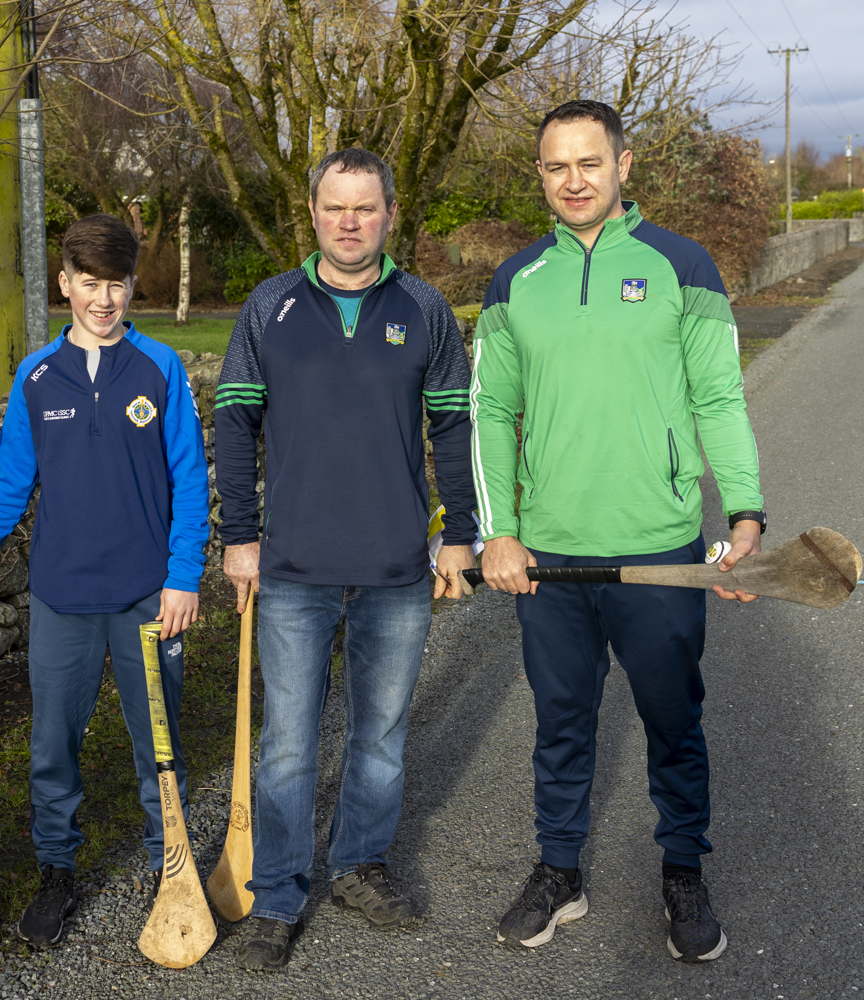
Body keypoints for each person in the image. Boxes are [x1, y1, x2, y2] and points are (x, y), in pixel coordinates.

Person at [471, 100, 764, 964]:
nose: (573, 180)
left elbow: (719, 397)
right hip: (550, 555)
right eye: (556, 166)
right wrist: (500, 532)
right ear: (540, 175)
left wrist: (744, 512)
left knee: (673, 717)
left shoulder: (684, 265)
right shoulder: (515, 281)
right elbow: (492, 412)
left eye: (589, 162)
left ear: (624, 165)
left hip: (659, 546)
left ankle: (682, 871)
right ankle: (560, 871)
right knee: (561, 720)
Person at [215, 147, 478, 971]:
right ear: (314, 212)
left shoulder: (426, 310)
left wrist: (461, 531)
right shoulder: (270, 308)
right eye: (336, 207)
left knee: (380, 735)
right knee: (289, 743)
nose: (350, 221)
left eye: (366, 207)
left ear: (391, 213)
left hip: (397, 566)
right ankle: (280, 893)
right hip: (292, 566)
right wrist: (243, 536)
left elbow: (453, 429)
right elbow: (232, 422)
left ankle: (359, 865)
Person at [0, 213, 209, 948]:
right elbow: (12, 482)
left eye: (116, 283)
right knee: (52, 746)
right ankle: (56, 871)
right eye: (88, 283)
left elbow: (191, 480)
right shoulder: (37, 376)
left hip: (147, 598)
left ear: (132, 283)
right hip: (63, 599)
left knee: (158, 746)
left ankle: (169, 868)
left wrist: (183, 577)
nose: (103, 299)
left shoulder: (160, 368)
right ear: (64, 283)